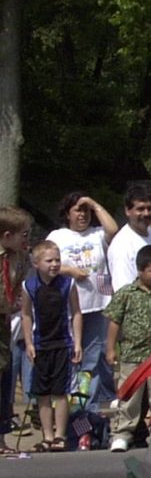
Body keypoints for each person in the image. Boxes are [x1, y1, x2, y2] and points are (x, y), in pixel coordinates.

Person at [47, 193, 119, 410]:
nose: (82, 214)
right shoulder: (58, 236)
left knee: (94, 359)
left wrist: (95, 204)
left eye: (85, 210)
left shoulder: (97, 234)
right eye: (78, 210)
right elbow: (42, 262)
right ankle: (72, 408)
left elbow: (113, 230)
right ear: (67, 213)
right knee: (75, 358)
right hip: (70, 308)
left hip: (100, 304)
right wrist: (68, 270)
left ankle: (91, 410)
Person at [104, 245, 151, 452]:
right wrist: (110, 348)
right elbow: (114, 321)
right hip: (132, 354)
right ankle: (122, 434)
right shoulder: (126, 294)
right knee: (130, 397)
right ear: (140, 270)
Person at [20, 240, 82, 452]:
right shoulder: (29, 286)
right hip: (41, 344)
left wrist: (77, 342)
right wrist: (29, 342)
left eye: (57, 260)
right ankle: (46, 435)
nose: (55, 264)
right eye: (49, 261)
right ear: (37, 263)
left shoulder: (67, 284)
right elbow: (26, 315)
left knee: (61, 391)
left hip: (63, 343)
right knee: (42, 392)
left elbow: (76, 312)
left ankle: (60, 435)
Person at [0, 207, 33, 452]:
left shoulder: (19, 258)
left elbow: (18, 286)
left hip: (4, 322)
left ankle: (1, 438)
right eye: (24, 235)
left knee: (5, 376)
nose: (27, 240)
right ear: (7, 235)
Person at [108, 181, 151, 292]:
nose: (146, 213)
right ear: (127, 210)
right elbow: (124, 292)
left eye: (150, 208)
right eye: (140, 209)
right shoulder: (121, 246)